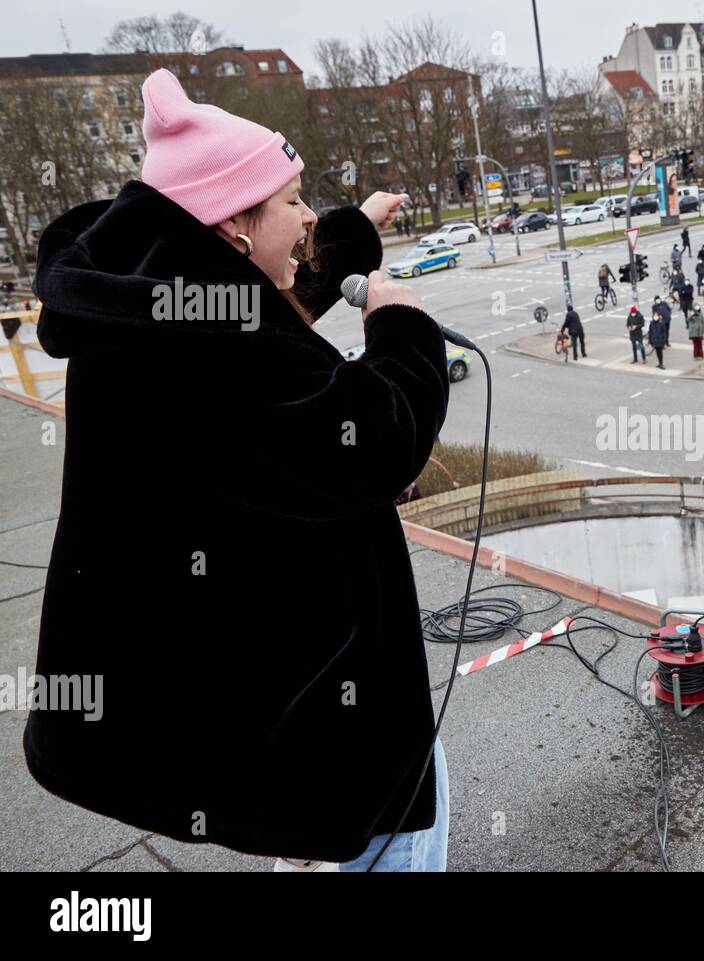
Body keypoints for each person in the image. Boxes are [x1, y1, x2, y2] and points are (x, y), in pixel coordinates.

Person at [27, 67, 454, 873]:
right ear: (228, 225)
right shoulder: (204, 347)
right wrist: (402, 327)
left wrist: (352, 231)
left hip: (242, 675)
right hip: (301, 710)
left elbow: (262, 312)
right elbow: (371, 435)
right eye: (292, 200)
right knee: (393, 838)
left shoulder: (155, 294)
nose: (306, 217)